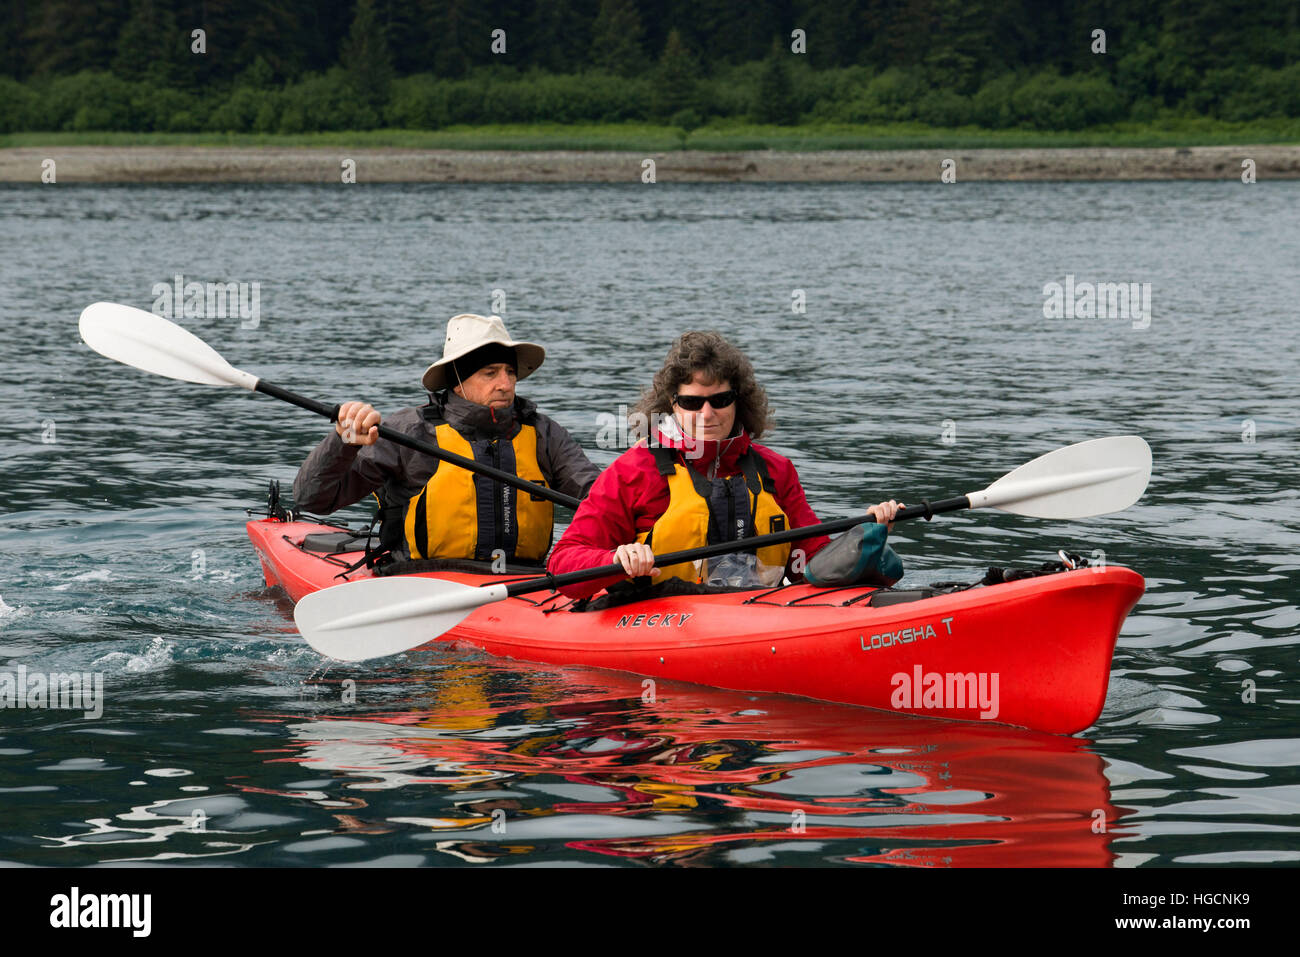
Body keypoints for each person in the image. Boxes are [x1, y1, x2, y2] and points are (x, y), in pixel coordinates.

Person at [547, 331, 902, 599]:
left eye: (720, 399)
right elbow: (563, 562)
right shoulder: (633, 471)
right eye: (691, 401)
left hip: (755, 613)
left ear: (738, 402)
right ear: (671, 405)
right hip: (657, 615)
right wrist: (615, 558)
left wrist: (864, 537)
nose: (707, 413)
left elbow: (813, 562)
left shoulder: (775, 470)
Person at [294, 313, 600, 566]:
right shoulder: (409, 432)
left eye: (510, 372)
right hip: (422, 580)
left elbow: (597, 494)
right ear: (458, 382)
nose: (506, 384)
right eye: (490, 373)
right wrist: (343, 442)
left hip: (524, 580)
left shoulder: (545, 434)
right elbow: (314, 499)